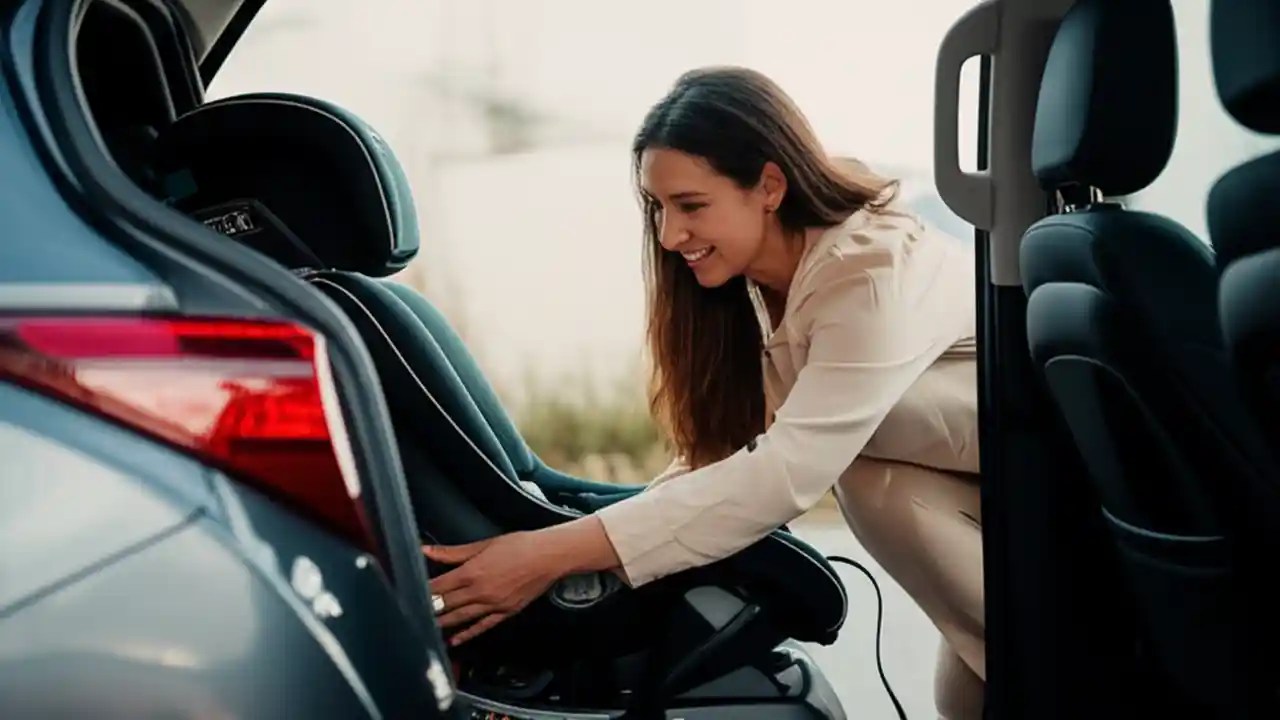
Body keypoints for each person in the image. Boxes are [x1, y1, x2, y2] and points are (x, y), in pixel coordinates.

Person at [424, 66, 985, 719]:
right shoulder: (753, 278)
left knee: (862, 474)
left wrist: (542, 558)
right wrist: (568, 550)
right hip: (942, 488)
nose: (668, 236)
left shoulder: (869, 271)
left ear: (769, 187)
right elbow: (721, 461)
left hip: (1030, 479)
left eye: (691, 206)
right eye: (658, 208)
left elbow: (782, 470)